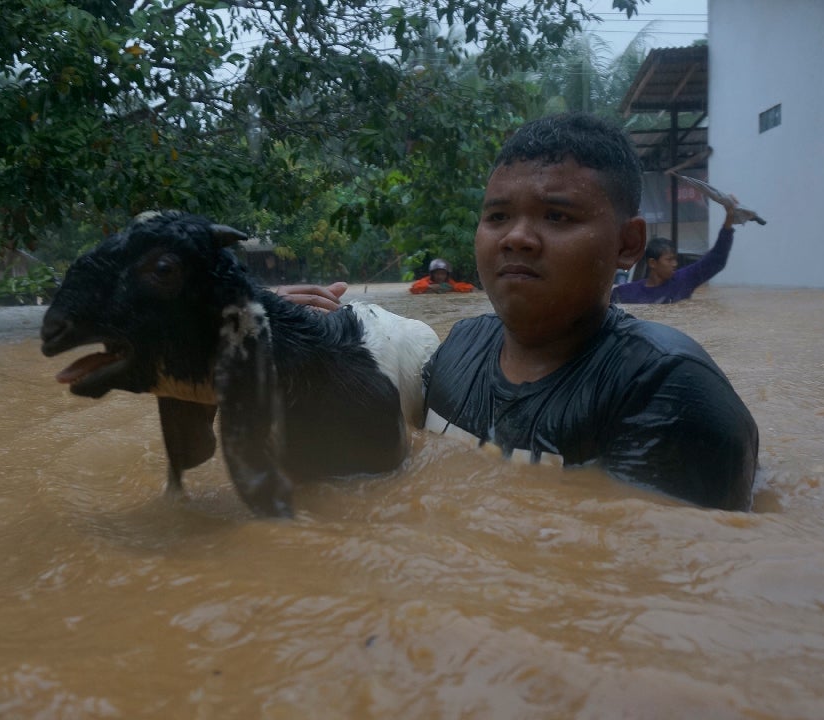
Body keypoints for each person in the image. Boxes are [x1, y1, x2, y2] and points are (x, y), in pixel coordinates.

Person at [280, 112, 758, 511]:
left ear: (628, 243)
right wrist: (277, 340)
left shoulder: (669, 392)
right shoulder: (458, 348)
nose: (516, 238)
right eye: (498, 217)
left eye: (557, 216)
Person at [611, 203, 742, 304]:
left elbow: (715, 260)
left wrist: (728, 222)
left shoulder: (682, 281)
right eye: (669, 260)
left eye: (675, 259)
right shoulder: (625, 293)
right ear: (652, 263)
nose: (675, 264)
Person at [409, 259, 476, 294]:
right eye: (437, 274)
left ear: (447, 275)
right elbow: (414, 289)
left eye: (443, 274)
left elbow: (468, 287)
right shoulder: (426, 281)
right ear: (432, 274)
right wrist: (429, 287)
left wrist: (452, 288)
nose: (440, 276)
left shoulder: (449, 282)